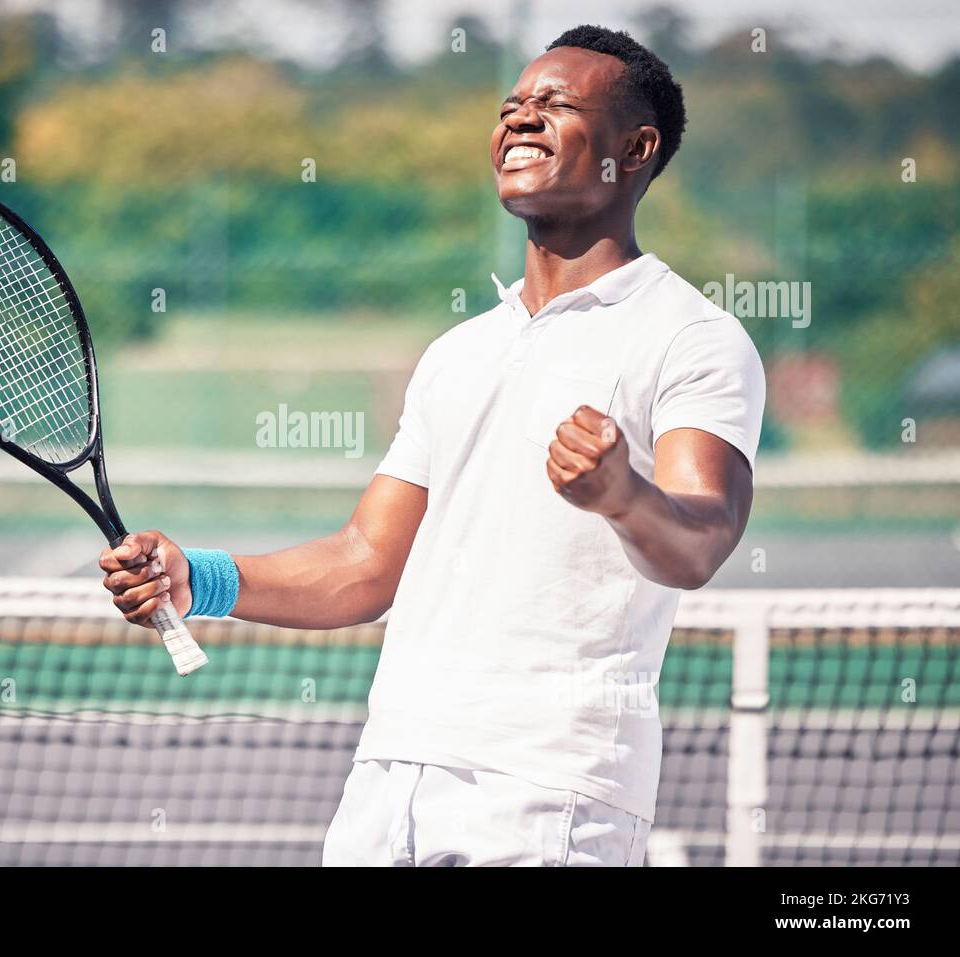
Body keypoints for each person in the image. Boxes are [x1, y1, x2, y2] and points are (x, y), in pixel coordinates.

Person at [100, 24, 765, 867]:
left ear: (635, 148)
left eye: (553, 106)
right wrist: (200, 577)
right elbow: (366, 563)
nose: (520, 121)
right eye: (510, 107)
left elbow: (701, 538)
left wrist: (622, 495)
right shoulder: (458, 352)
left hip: (550, 797)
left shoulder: (694, 337)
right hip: (387, 786)